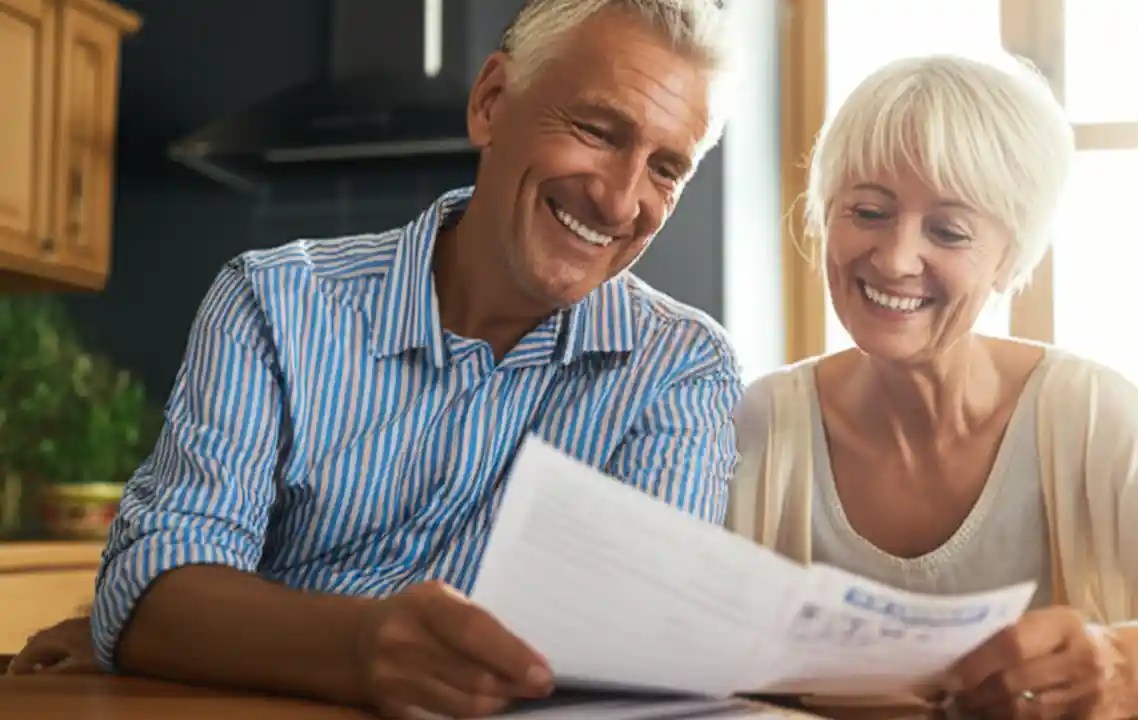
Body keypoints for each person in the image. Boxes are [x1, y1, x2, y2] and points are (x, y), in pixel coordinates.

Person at [10, 1, 741, 718]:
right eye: (596, 129)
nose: (620, 202)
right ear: (491, 102)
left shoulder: (682, 369)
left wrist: (206, 633)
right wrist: (353, 647)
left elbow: (639, 655)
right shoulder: (272, 303)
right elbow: (152, 590)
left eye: (666, 169)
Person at [728, 52, 1138, 719]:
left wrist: (1127, 669)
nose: (897, 258)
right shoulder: (755, 426)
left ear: (1011, 258)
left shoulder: (1084, 416)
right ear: (823, 218)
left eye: (949, 230)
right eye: (868, 212)